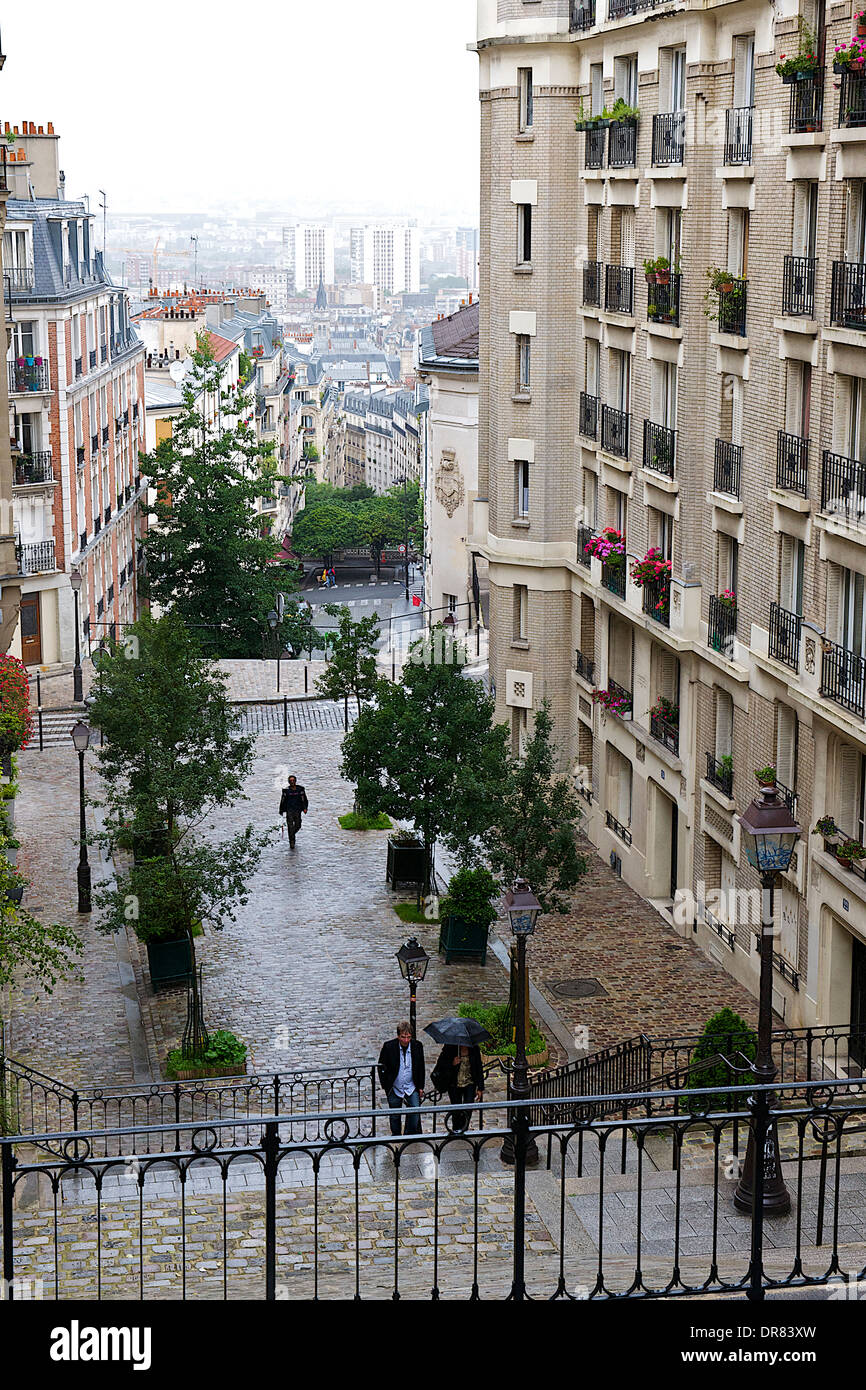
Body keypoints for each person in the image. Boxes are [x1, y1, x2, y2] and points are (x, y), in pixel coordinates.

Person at [377, 1022, 425, 1136]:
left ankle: (409, 1134)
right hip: (395, 1087)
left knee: (415, 1111)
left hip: (411, 1085)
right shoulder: (389, 1047)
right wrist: (386, 1086)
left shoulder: (417, 1046)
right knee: (395, 1115)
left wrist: (421, 1086)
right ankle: (396, 1136)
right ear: (398, 1036)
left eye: (408, 1037)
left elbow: (421, 1067)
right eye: (403, 1037)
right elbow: (381, 1066)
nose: (406, 1040)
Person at [434, 1043, 484, 1133]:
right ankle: (456, 1129)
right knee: (456, 1109)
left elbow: (478, 1067)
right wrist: (452, 1063)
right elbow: (441, 1064)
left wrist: (480, 1088)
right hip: (454, 1084)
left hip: (469, 1083)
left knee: (468, 1108)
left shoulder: (474, 1048)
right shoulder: (449, 1047)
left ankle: (464, 1129)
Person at [278, 775, 308, 849]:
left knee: (298, 825)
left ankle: (291, 835)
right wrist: (281, 810)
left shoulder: (300, 789)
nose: (292, 782)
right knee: (290, 826)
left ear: (295, 781)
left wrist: (305, 808)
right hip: (289, 810)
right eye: (290, 781)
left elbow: (305, 799)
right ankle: (292, 842)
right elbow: (282, 801)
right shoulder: (286, 791)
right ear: (289, 782)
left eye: (293, 780)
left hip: (298, 810)